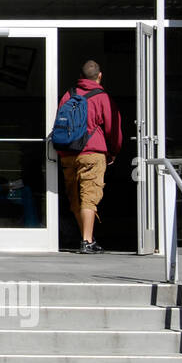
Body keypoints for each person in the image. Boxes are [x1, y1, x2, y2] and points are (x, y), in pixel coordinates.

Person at [57, 59, 123, 254]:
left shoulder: (69, 95)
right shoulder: (103, 97)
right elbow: (113, 129)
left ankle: (88, 237)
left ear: (80, 76)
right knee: (89, 196)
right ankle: (87, 241)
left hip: (68, 154)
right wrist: (113, 151)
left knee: (75, 197)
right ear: (99, 76)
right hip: (92, 153)